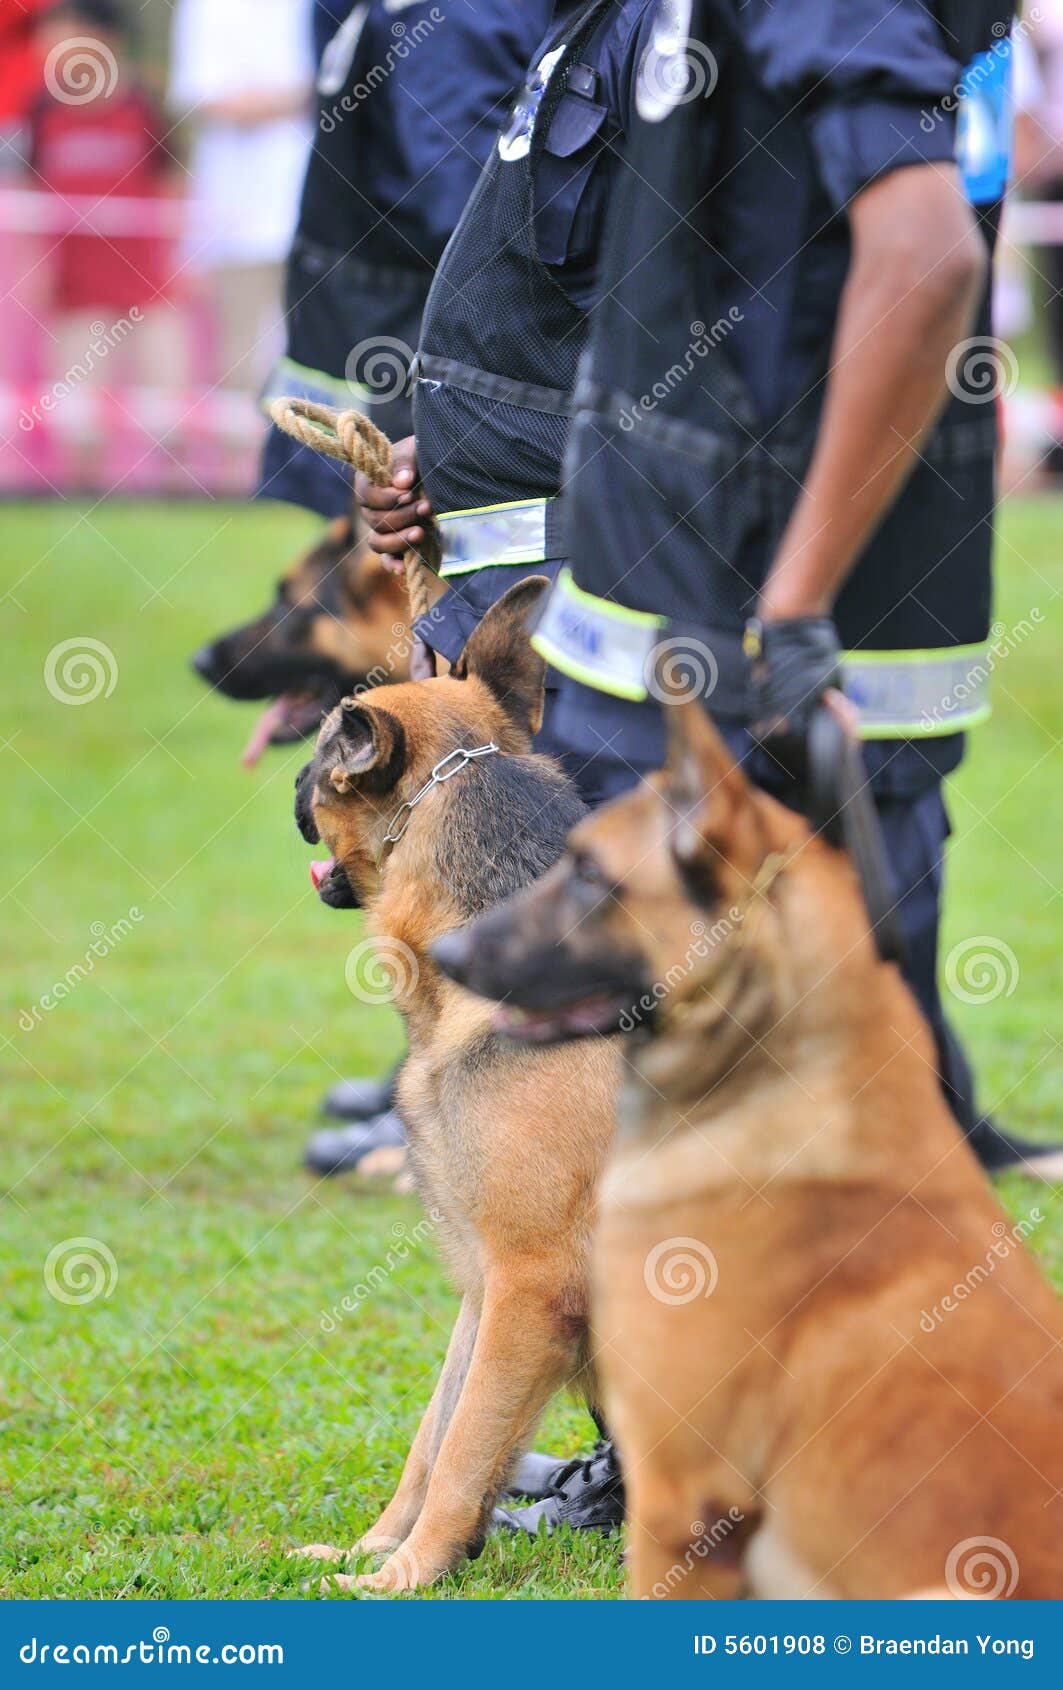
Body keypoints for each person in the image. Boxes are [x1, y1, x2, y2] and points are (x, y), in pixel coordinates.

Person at [491, 0, 1063, 1538]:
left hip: (749, 663)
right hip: (675, 639)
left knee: (842, 1121)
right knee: (679, 1105)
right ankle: (696, 1468)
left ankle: (857, 1498)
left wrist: (795, 597)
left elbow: (925, 250)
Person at [253, 1, 557, 1170]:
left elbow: (474, 221)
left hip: (464, 442)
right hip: (431, 428)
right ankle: (430, 1068)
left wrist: (448, 432)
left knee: (457, 781)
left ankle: (460, 1078)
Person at [167, 0, 315, 395]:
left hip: (310, 217)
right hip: (236, 221)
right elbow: (207, 96)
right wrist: (295, 97)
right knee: (240, 357)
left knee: (308, 355)